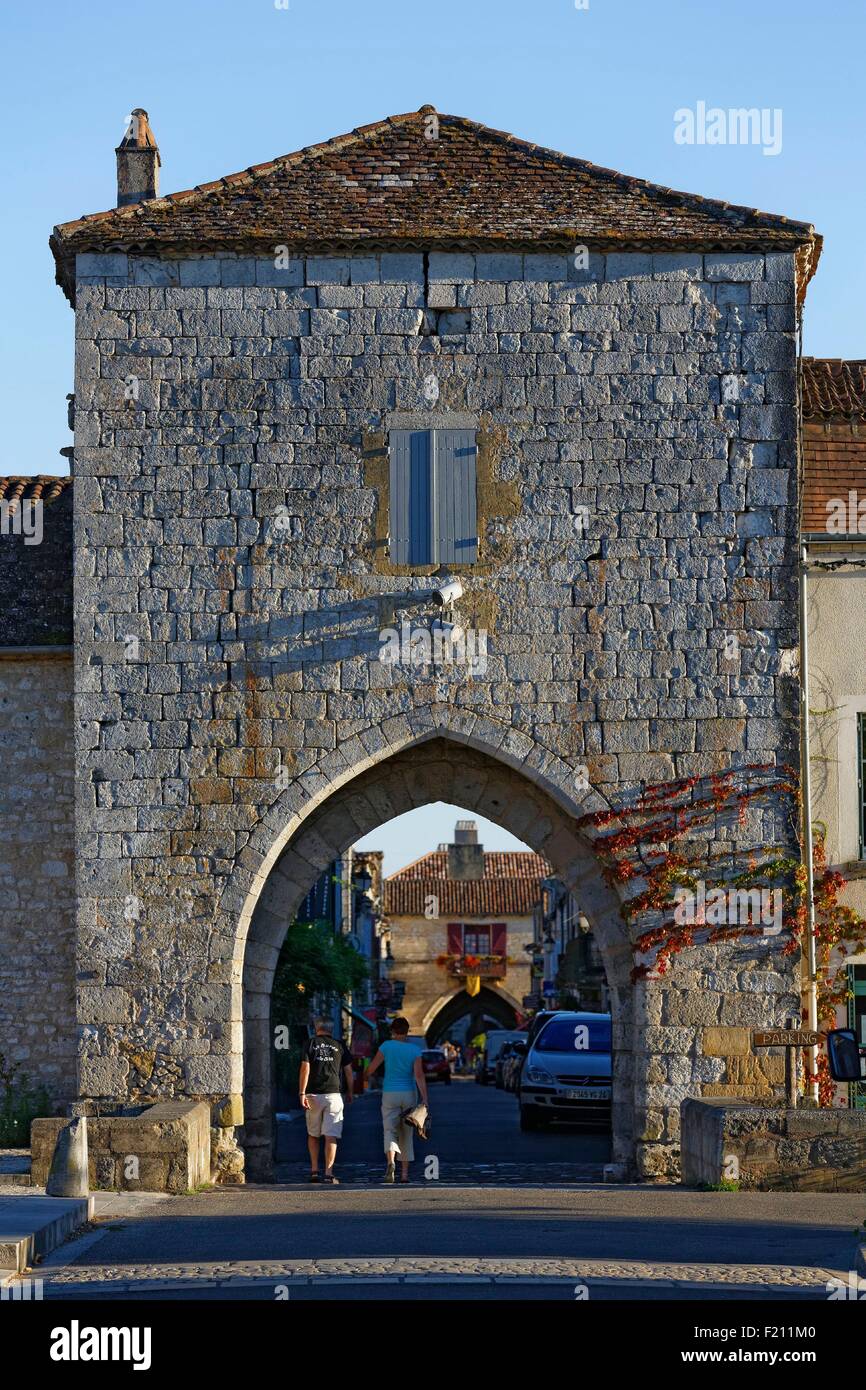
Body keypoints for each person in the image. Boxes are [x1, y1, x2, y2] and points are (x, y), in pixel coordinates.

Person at [365, 1017, 429, 1184]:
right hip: (408, 1093)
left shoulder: (386, 1046)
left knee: (390, 1130)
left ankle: (391, 1161)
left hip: (390, 1093)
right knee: (406, 1132)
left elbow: (372, 1068)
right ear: (407, 1032)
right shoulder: (415, 1050)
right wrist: (425, 1098)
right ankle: (405, 1175)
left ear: (392, 1031)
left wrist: (364, 1077)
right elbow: (419, 1075)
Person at [298, 1016, 354, 1184]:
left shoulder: (310, 1044)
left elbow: (305, 1069)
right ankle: (329, 1173)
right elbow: (349, 1072)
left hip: (313, 1095)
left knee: (313, 1134)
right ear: (332, 1028)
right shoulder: (340, 1045)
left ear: (316, 1028)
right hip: (334, 1095)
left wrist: (301, 1093)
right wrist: (350, 1092)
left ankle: (314, 1170)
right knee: (331, 1135)